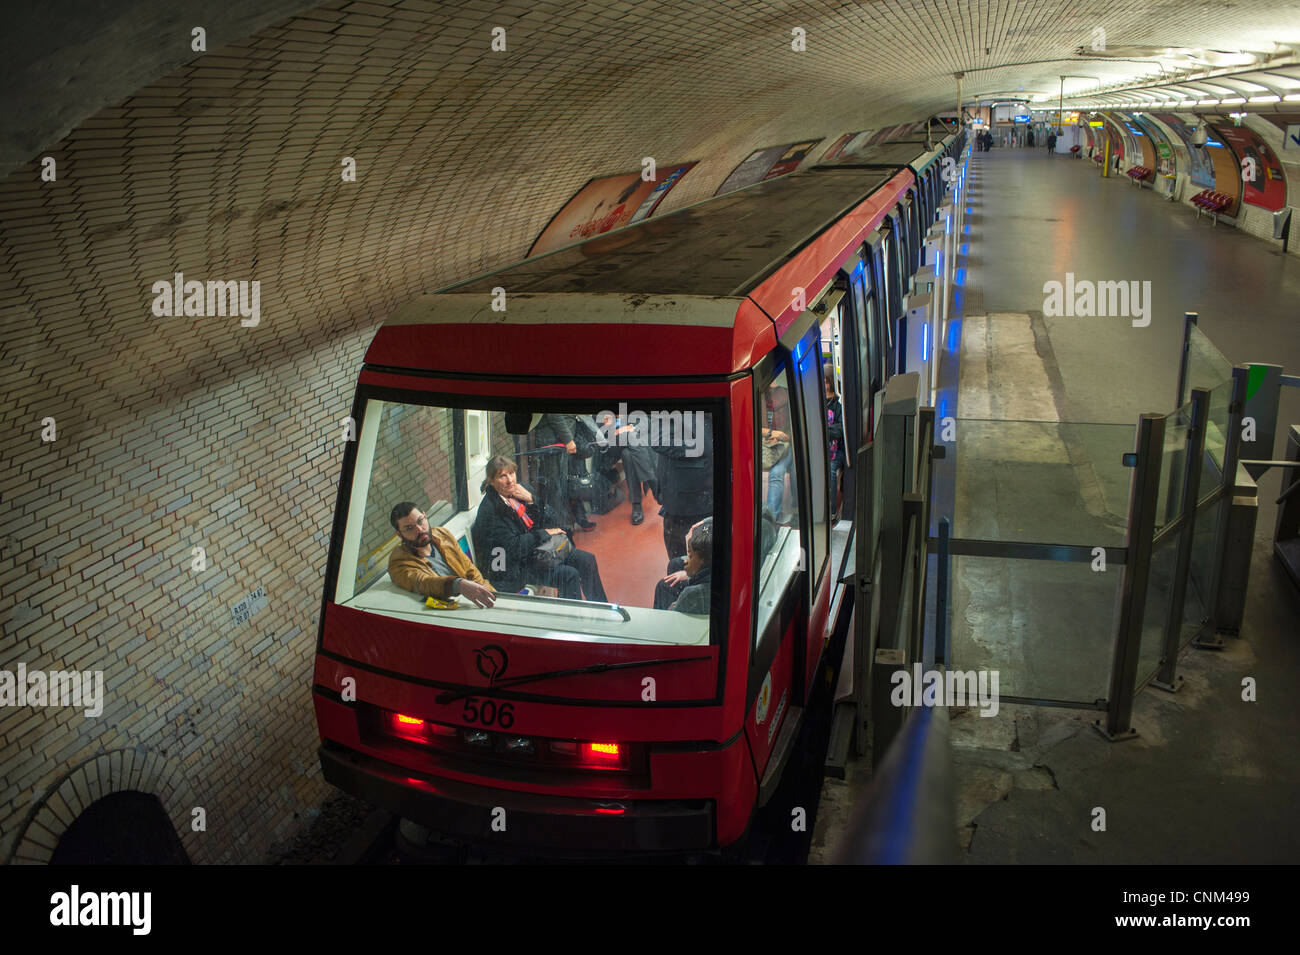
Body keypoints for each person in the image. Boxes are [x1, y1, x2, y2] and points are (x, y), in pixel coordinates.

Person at [472, 455, 607, 602]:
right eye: (502, 476)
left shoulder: (522, 492)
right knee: (569, 575)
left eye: (511, 473)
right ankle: (569, 621)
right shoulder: (490, 510)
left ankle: (602, 610)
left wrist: (532, 499)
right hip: (513, 568)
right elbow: (513, 547)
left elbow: (555, 520)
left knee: (587, 560)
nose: (510, 480)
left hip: (536, 553)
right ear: (491, 481)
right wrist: (544, 533)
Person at [388, 502, 496, 607]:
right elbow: (424, 583)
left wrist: (494, 596)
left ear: (425, 515)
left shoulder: (441, 534)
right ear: (399, 534)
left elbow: (470, 570)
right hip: (451, 610)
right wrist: (458, 585)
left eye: (420, 521)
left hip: (474, 602)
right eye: (409, 528)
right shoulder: (398, 562)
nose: (420, 529)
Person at [654, 413, 714, 560]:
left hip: (708, 486)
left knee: (708, 544)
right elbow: (659, 441)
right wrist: (697, 447)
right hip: (682, 492)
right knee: (677, 547)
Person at [596, 410, 658, 525]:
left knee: (628, 455)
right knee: (630, 437)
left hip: (632, 444)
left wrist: (631, 428)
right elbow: (598, 430)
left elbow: (647, 422)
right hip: (611, 445)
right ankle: (652, 480)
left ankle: (636, 505)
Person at [653, 517, 710, 610]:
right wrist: (706, 521)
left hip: (697, 596)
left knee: (663, 586)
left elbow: (674, 610)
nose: (686, 560)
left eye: (690, 557)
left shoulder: (690, 594)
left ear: (703, 561)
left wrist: (673, 606)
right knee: (675, 563)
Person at [762, 385, 793, 520]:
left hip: (783, 445)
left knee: (777, 473)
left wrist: (783, 436)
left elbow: (791, 431)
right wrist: (770, 433)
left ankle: (771, 518)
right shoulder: (756, 397)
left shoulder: (785, 395)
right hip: (762, 444)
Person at [824, 366, 845, 520]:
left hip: (835, 452)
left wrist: (823, 430)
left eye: (826, 382)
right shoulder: (817, 400)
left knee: (830, 470)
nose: (824, 385)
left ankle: (831, 510)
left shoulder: (838, 405)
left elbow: (839, 430)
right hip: (820, 449)